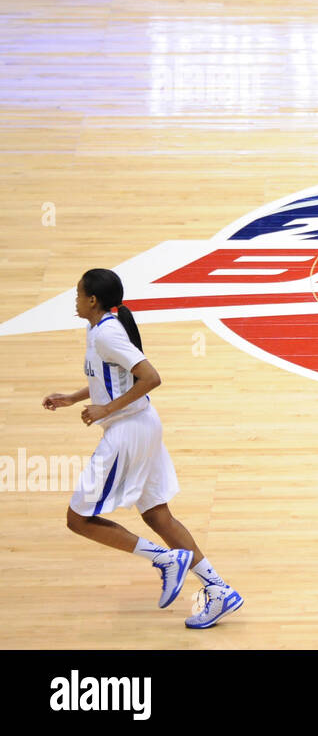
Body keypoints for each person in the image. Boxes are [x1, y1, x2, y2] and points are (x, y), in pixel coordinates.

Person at [42, 268, 243, 629]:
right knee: (157, 516)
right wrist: (73, 398)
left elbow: (151, 377)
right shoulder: (99, 329)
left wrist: (106, 409)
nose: (74, 300)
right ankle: (218, 590)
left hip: (128, 430)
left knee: (77, 519)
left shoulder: (107, 334)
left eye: (77, 294)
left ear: (93, 300)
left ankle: (165, 560)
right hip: (142, 425)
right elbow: (112, 378)